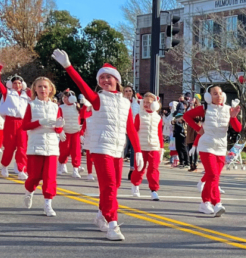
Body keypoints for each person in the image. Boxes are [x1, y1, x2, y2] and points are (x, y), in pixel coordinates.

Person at [53, 49, 142, 240]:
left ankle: (101, 214)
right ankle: (113, 224)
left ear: (117, 80)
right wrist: (68, 66)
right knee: (109, 186)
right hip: (101, 148)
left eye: (109, 77)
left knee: (114, 185)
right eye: (102, 77)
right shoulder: (98, 98)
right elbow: (82, 86)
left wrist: (139, 151)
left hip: (118, 149)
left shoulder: (126, 103)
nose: (105, 80)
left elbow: (131, 129)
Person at [184, 86, 241, 216]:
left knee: (213, 177)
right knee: (213, 175)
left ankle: (205, 203)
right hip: (206, 146)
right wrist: (197, 128)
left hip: (221, 148)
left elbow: (238, 128)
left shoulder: (228, 109)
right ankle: (217, 203)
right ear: (208, 97)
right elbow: (187, 116)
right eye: (215, 94)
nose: (218, 96)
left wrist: (233, 117)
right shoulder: (205, 109)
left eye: (220, 93)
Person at [21, 76, 64, 217]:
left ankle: (48, 204)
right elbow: (25, 125)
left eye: (45, 87)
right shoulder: (31, 105)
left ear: (51, 89)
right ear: (35, 89)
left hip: (51, 146)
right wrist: (40, 121)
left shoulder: (55, 107)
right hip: (35, 146)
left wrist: (59, 128)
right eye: (39, 86)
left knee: (50, 177)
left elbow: (57, 127)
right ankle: (29, 192)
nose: (42, 89)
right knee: (34, 176)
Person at [0, 64, 30, 180]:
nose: (17, 85)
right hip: (10, 122)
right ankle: (4, 166)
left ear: (22, 85)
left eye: (19, 83)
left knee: (22, 147)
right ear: (11, 84)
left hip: (22, 123)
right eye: (15, 83)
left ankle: (21, 169)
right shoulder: (7, 93)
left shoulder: (26, 95)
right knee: (9, 147)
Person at [129, 93, 164, 200]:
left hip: (154, 147)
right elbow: (134, 131)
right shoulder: (139, 116)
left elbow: (159, 134)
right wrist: (135, 147)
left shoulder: (158, 118)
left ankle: (154, 190)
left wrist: (161, 148)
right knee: (139, 168)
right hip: (141, 147)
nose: (146, 104)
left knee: (154, 169)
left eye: (148, 103)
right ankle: (135, 185)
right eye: (144, 102)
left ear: (155, 104)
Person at [58, 90, 84, 178]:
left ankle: (75, 169)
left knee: (76, 151)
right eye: (64, 97)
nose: (64, 99)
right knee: (64, 150)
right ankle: (61, 164)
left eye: (66, 97)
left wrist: (81, 133)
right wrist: (60, 131)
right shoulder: (61, 107)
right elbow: (59, 119)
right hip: (65, 132)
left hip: (75, 132)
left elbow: (83, 118)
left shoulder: (77, 107)